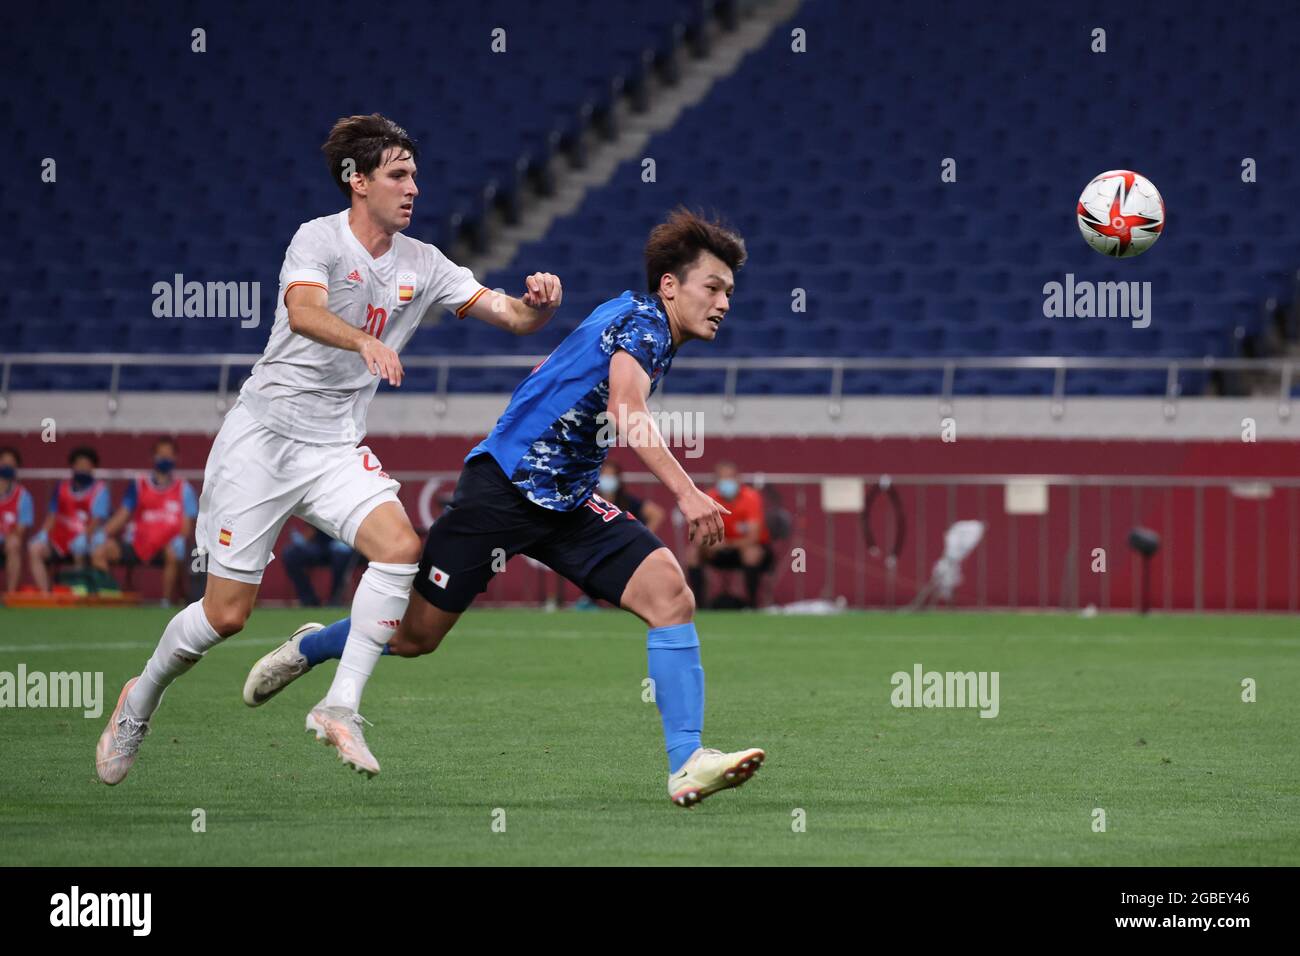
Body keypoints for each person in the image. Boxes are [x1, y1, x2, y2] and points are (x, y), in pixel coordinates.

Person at [95, 113, 562, 785]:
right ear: (358, 180)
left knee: (401, 549)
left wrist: (537, 305)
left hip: (334, 448)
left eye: (416, 177)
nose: (413, 189)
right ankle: (139, 700)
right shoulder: (318, 239)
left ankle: (339, 705)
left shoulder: (423, 263)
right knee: (225, 617)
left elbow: (512, 317)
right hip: (263, 441)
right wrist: (363, 340)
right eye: (399, 176)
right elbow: (305, 311)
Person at [245, 207, 765, 807]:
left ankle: (687, 763)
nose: (724, 302)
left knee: (669, 593)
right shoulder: (646, 326)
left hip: (566, 502)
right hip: (503, 489)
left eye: (730, 291)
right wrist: (687, 490)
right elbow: (627, 410)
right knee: (415, 637)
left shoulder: (636, 316)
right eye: (714, 287)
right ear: (670, 286)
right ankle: (314, 645)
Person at [91, 437, 198, 604]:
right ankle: (112, 595)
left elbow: (185, 528)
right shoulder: (139, 485)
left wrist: (172, 540)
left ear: (176, 458)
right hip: (137, 543)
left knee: (174, 551)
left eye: (168, 456)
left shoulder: (184, 489)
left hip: (165, 547)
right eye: (161, 455)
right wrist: (101, 534)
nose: (164, 459)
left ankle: (166, 601)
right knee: (100, 551)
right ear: (153, 457)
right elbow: (122, 516)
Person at [686, 461, 773, 609]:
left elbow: (753, 537)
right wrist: (710, 544)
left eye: (730, 477)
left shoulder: (751, 497)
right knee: (693, 554)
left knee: (751, 553)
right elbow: (699, 536)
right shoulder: (708, 497)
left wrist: (728, 544)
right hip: (717, 551)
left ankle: (752, 606)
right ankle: (700, 607)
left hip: (743, 550)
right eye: (722, 478)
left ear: (738, 478)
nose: (726, 482)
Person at [28, 446, 110, 592]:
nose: (83, 468)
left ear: (93, 467)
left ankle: (80, 589)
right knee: (35, 549)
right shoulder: (61, 487)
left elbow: (97, 520)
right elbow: (52, 515)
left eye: (87, 465)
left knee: (80, 548)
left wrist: (84, 537)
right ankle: (46, 594)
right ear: (72, 466)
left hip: (85, 538)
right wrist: (43, 535)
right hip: (60, 537)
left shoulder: (100, 489)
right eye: (79, 464)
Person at [281, 522, 357, 606]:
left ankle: (335, 600)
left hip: (344, 545)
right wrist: (302, 541)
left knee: (341, 555)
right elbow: (310, 531)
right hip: (320, 546)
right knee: (290, 554)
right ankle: (309, 600)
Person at [0, 446, 36, 591]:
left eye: (11, 463)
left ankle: (10, 593)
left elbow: (20, 529)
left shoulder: (23, 496)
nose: (6, 466)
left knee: (14, 543)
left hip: (8, 539)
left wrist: (8, 535)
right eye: (4, 462)